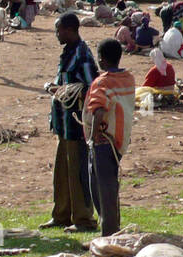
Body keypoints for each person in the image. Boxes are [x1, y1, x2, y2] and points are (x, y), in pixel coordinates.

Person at [43, 12, 98, 232]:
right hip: (63, 125)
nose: (57, 34)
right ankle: (61, 215)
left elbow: (91, 87)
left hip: (75, 125)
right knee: (62, 173)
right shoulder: (69, 52)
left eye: (59, 30)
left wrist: (61, 90)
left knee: (78, 174)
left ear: (70, 30)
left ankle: (83, 219)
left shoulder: (82, 55)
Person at [84, 38, 135, 237]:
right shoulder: (128, 79)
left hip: (103, 141)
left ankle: (109, 234)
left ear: (102, 60)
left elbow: (98, 110)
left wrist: (93, 136)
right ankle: (112, 229)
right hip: (119, 139)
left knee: (102, 188)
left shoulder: (103, 82)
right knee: (108, 186)